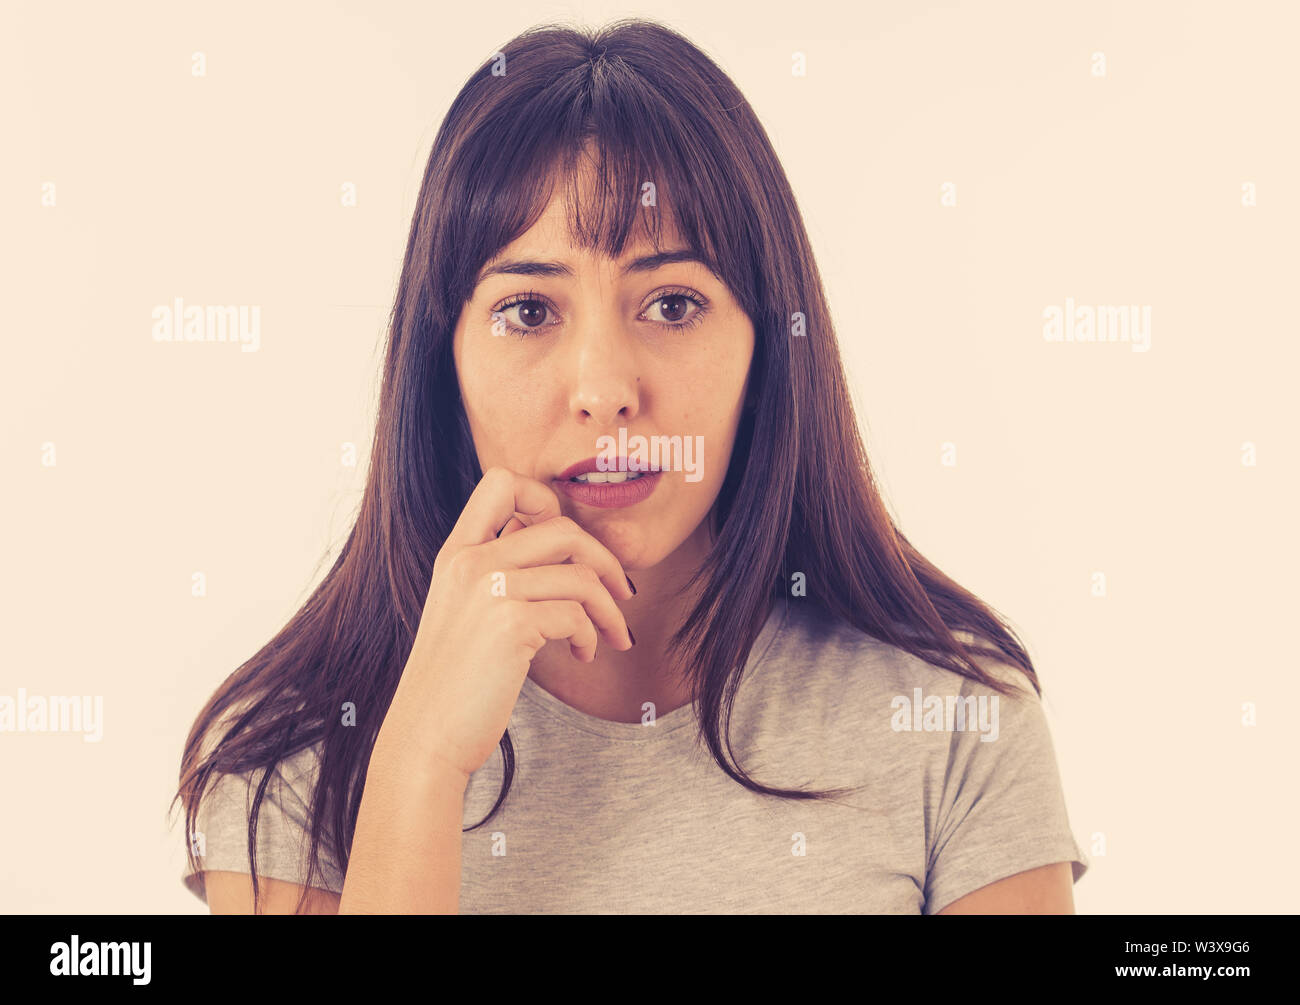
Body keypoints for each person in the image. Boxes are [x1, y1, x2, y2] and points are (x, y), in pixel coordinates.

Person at [173, 17, 1088, 915]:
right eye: (529, 311)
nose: (604, 390)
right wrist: (418, 762)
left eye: (674, 303)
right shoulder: (289, 761)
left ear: (769, 344)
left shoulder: (957, 721)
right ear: (439, 358)